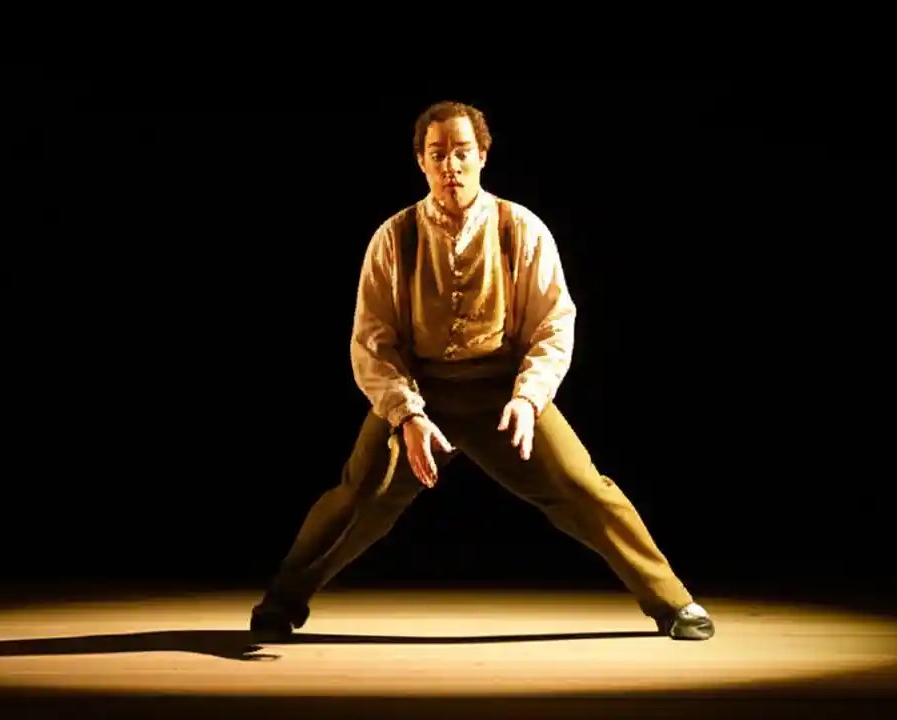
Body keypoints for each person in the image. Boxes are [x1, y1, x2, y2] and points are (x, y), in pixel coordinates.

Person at [250, 100, 714, 642]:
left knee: (583, 485)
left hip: (502, 392)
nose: (451, 166)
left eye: (462, 153)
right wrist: (406, 414)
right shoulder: (394, 238)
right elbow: (372, 341)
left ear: (483, 156)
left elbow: (553, 325)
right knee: (359, 495)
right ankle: (281, 603)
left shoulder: (521, 229)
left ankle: (673, 602)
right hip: (419, 393)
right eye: (438, 154)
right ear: (421, 162)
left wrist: (528, 397)